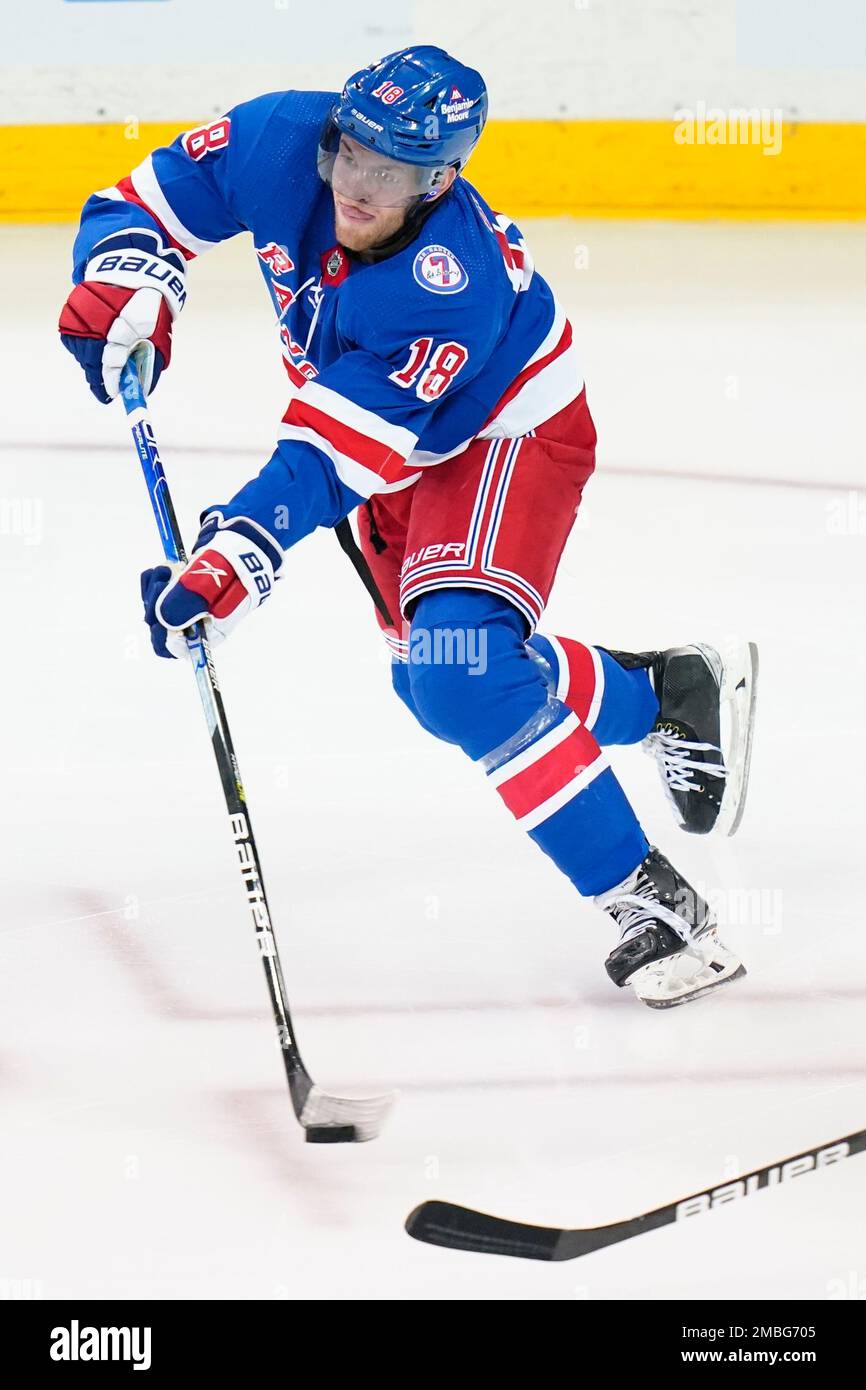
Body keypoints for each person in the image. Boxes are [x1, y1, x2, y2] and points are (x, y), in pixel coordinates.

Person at [59, 46, 758, 1009]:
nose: (356, 185)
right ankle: (658, 692)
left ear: (441, 179)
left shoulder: (446, 284)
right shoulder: (278, 138)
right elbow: (147, 202)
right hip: (394, 443)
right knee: (435, 685)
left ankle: (659, 907)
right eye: (350, 156)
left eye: (389, 175)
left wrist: (233, 553)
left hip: (508, 430)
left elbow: (327, 458)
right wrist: (128, 280)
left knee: (461, 675)